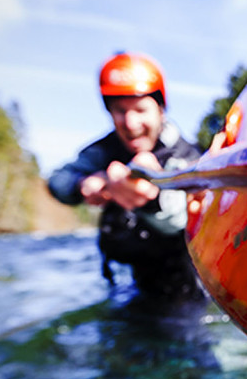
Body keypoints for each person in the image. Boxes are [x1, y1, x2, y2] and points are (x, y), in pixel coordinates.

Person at [48, 51, 203, 299]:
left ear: (161, 110)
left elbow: (188, 217)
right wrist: (83, 184)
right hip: (126, 286)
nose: (130, 122)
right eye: (120, 110)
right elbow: (58, 180)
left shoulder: (188, 157)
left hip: (184, 288)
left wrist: (152, 199)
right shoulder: (103, 151)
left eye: (141, 110)